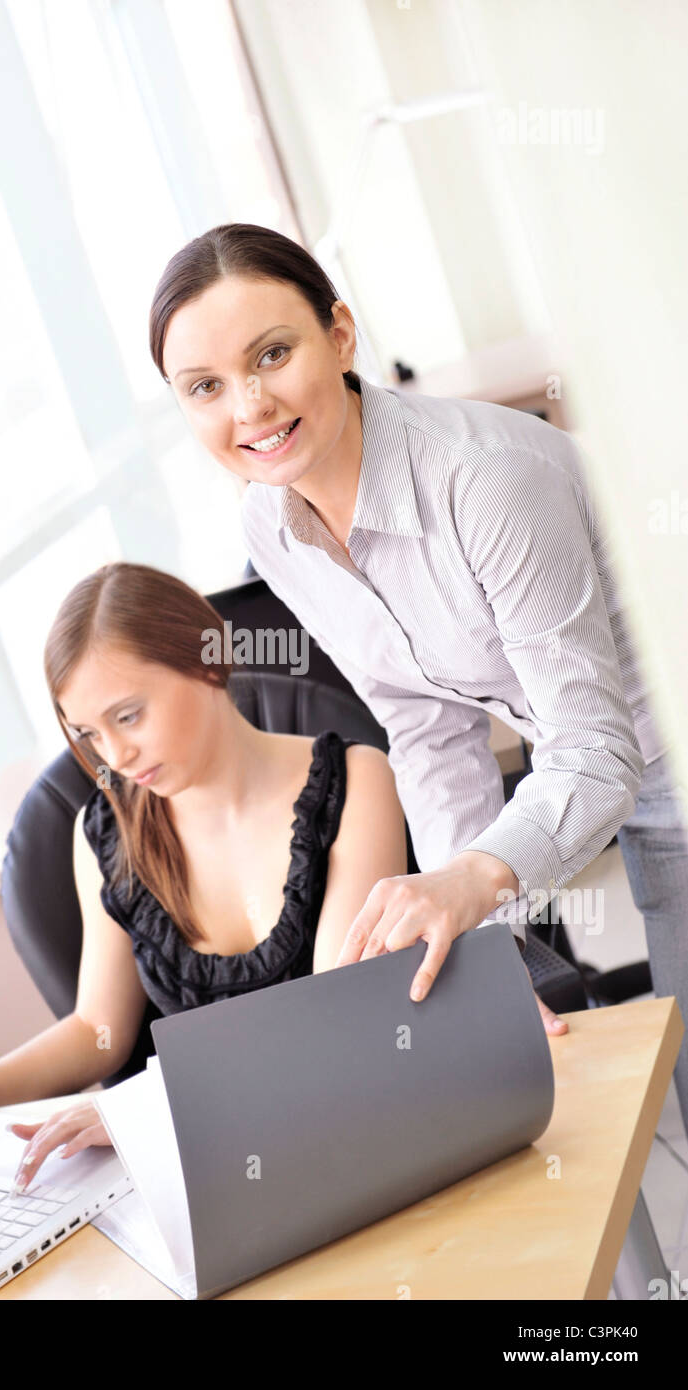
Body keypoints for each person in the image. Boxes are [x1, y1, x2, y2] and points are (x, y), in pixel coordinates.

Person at [149, 222, 688, 1138]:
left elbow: (597, 752)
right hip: (611, 770)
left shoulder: (486, 482)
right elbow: (427, 727)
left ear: (341, 335)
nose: (247, 407)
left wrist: (475, 881)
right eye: (204, 387)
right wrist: (475, 933)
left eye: (272, 354)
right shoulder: (272, 527)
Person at [0, 562, 407, 1190]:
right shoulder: (107, 835)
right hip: (210, 1168)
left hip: (354, 1136)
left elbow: (334, 1021)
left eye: (128, 716)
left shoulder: (358, 781)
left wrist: (148, 1113)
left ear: (208, 663)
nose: (115, 757)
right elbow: (97, 1033)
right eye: (89, 734)